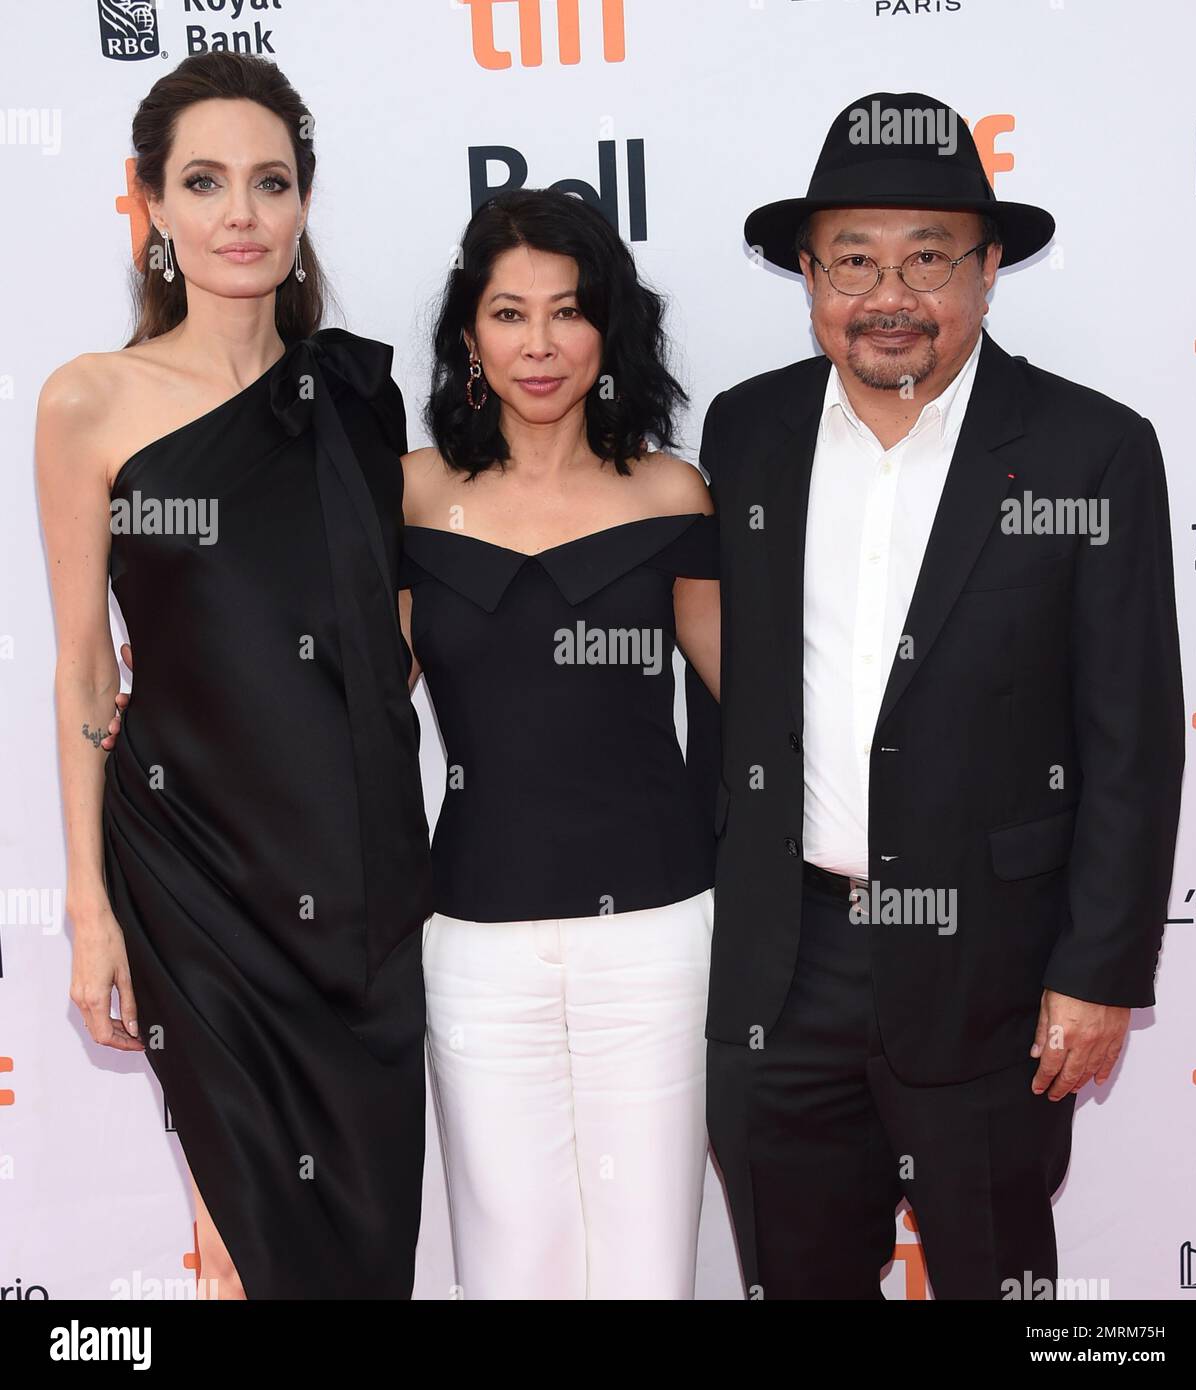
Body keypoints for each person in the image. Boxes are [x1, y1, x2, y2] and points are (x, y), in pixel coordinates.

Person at [702, 90, 1185, 1299]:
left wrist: (1099, 971)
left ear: (988, 270)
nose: (889, 295)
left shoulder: (1090, 450)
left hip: (999, 971)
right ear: (808, 277)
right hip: (785, 959)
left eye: (929, 257)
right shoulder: (746, 433)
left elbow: (1130, 736)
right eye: (853, 259)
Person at [36, 52, 431, 1299]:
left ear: (305, 201)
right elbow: (87, 673)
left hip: (356, 886)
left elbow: (392, 643)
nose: (240, 214)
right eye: (203, 182)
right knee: (248, 1246)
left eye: (270, 182)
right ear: (147, 201)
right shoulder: (88, 402)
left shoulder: (359, 401)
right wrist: (92, 913)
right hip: (191, 884)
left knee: (361, 1254)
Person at [398, 188, 722, 1298]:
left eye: (569, 312)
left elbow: (761, 699)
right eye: (508, 313)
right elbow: (345, 715)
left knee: (646, 1263)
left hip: (658, 933)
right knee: (507, 1264)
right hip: (475, 936)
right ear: (469, 337)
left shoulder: (674, 492)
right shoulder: (409, 496)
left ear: (608, 333)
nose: (540, 344)